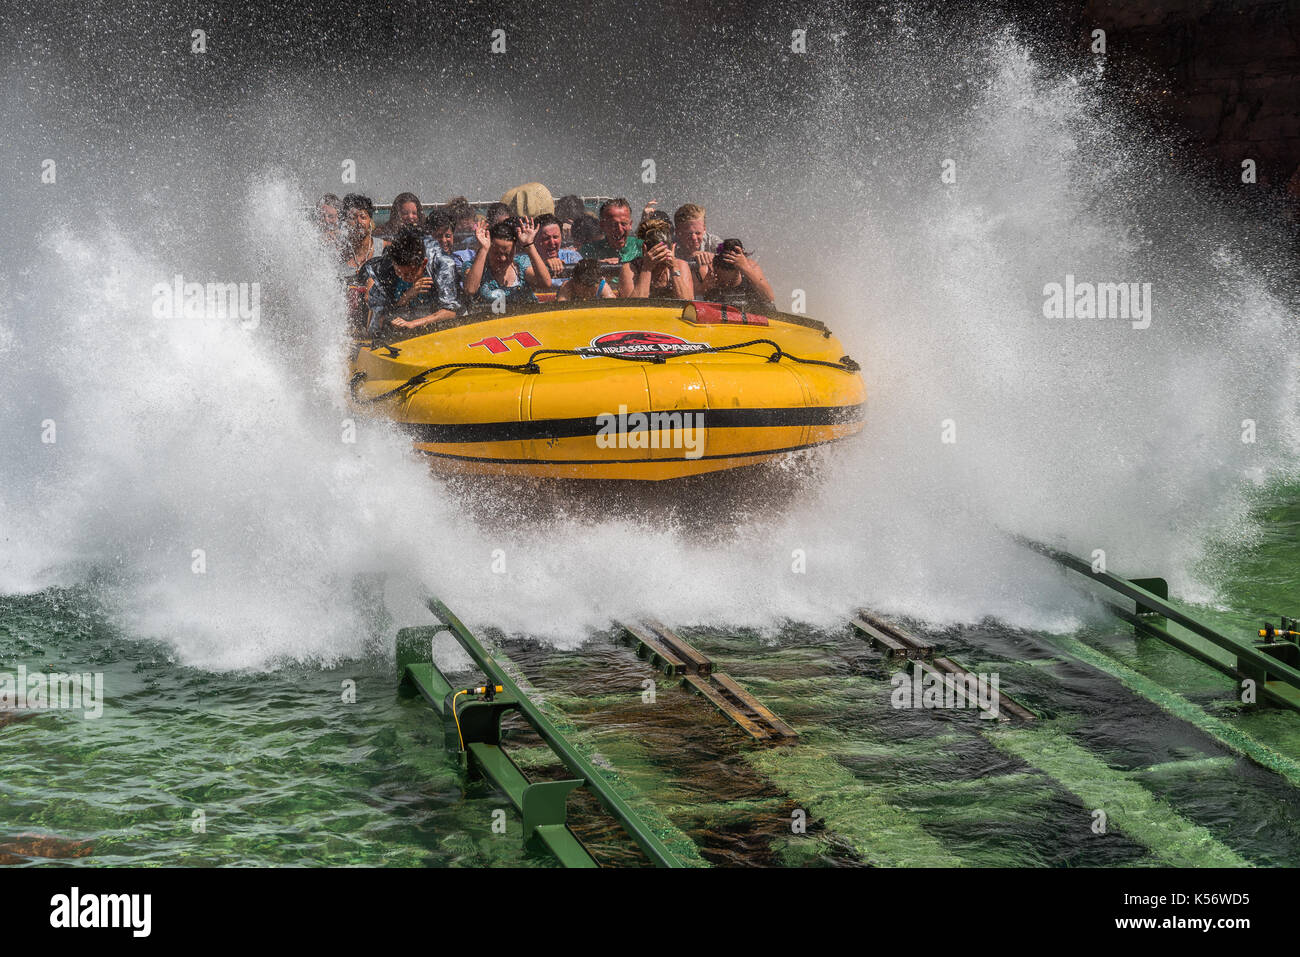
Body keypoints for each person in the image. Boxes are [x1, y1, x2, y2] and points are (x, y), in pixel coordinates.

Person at [363, 225, 463, 337]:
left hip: (440, 329)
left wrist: (413, 324)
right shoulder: (385, 269)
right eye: (399, 273)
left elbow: (451, 312)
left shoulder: (442, 264)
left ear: (424, 263)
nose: (405, 278)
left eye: (411, 273)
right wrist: (406, 297)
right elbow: (376, 322)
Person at [462, 217, 552, 306]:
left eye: (508, 254)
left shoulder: (521, 264)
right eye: (497, 253)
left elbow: (546, 283)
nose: (503, 258)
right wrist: (483, 249)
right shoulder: (472, 266)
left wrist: (529, 245)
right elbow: (470, 289)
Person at [619, 217, 693, 300]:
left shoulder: (680, 266)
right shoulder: (630, 269)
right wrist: (646, 269)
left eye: (664, 260)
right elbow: (631, 308)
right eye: (656, 260)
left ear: (672, 249)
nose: (660, 266)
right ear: (644, 250)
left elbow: (688, 304)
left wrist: (673, 268)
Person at [701, 238, 775, 307]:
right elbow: (695, 298)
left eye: (733, 278)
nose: (726, 283)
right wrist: (704, 287)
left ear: (739, 270)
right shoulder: (709, 269)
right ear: (716, 267)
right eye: (721, 271)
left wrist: (746, 269)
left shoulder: (750, 267)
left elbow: (770, 297)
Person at [580, 198, 644, 264]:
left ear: (630, 224)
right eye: (613, 224)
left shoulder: (642, 248)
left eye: (624, 224)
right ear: (602, 226)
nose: (619, 229)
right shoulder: (588, 251)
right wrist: (597, 265)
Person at [673, 203, 721, 290]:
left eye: (698, 233)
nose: (694, 238)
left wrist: (713, 257)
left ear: (704, 229)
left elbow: (732, 253)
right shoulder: (669, 244)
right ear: (677, 232)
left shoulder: (714, 242)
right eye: (688, 234)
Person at [340, 194, 385, 276]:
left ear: (370, 221)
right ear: (345, 223)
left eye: (363, 217)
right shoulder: (339, 253)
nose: (359, 222)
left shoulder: (384, 249)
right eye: (352, 217)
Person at [534, 213, 581, 286]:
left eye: (555, 237)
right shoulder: (528, 260)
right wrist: (543, 264)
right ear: (535, 240)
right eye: (546, 238)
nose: (552, 243)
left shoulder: (571, 256)